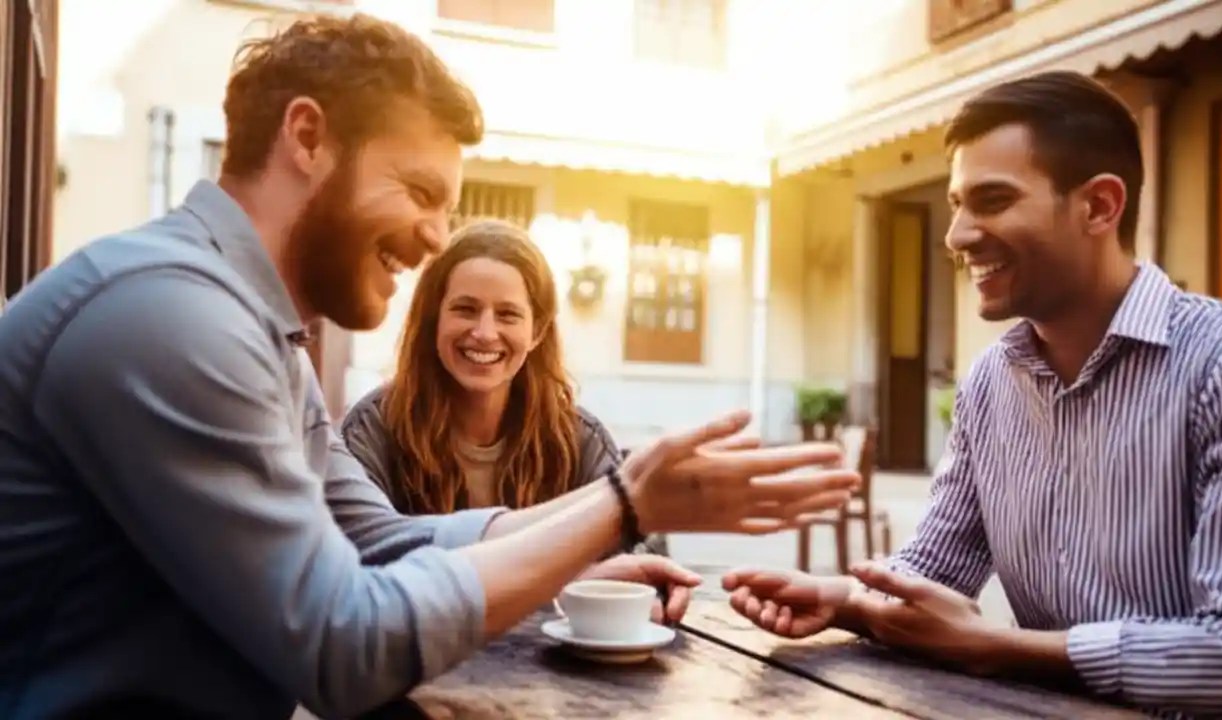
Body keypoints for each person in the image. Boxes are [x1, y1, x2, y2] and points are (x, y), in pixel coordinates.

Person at [0, 14, 858, 720]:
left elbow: (380, 540)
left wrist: (607, 513)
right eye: (418, 190)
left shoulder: (256, 335)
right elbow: (344, 648)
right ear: (308, 137)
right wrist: (623, 505)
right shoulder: (172, 319)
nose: (438, 239)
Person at [722, 70, 1222, 719]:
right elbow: (935, 572)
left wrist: (995, 645)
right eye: (957, 204)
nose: (957, 235)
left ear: (1099, 206)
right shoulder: (991, 381)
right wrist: (843, 599)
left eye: (991, 200)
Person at [341, 219, 665, 553]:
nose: (484, 332)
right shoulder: (373, 431)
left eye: (507, 315)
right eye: (465, 309)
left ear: (536, 332)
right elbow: (355, 563)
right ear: (433, 319)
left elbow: (630, 553)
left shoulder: (578, 441)